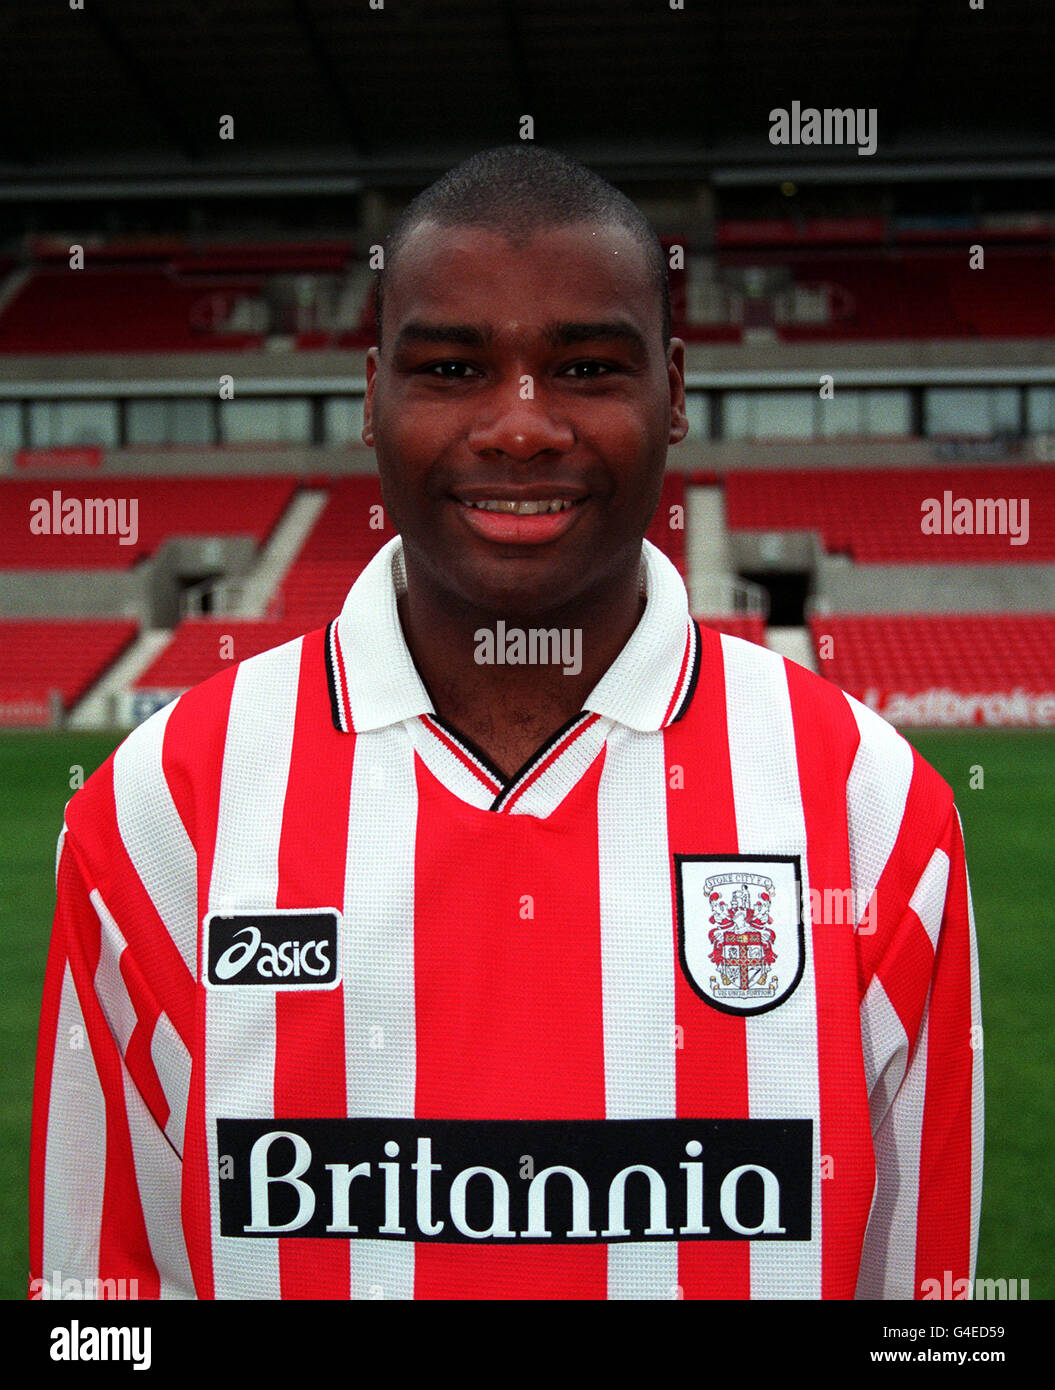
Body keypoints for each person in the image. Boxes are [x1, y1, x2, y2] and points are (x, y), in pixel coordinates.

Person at [30, 144, 982, 1301]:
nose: (520, 429)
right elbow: (97, 1299)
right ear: (370, 395)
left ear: (674, 391)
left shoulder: (870, 808)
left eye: (583, 366)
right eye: (450, 368)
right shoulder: (159, 810)